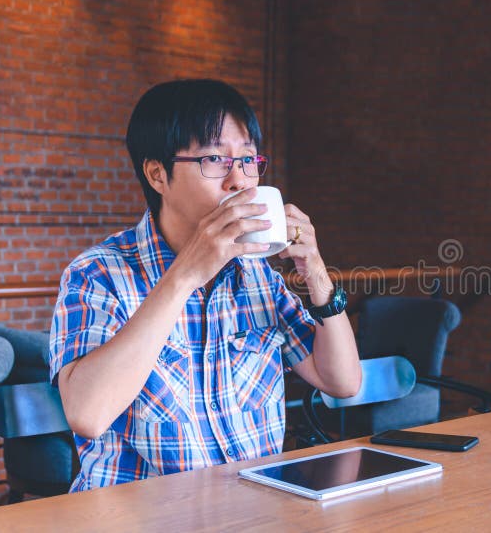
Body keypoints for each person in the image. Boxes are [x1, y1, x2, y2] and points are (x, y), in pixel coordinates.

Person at [49, 79, 361, 492]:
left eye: (249, 159)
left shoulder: (256, 275)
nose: (240, 180)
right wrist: (185, 275)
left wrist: (315, 270)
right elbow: (88, 414)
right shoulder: (97, 274)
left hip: (254, 513)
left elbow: (342, 381)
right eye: (215, 158)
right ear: (157, 174)